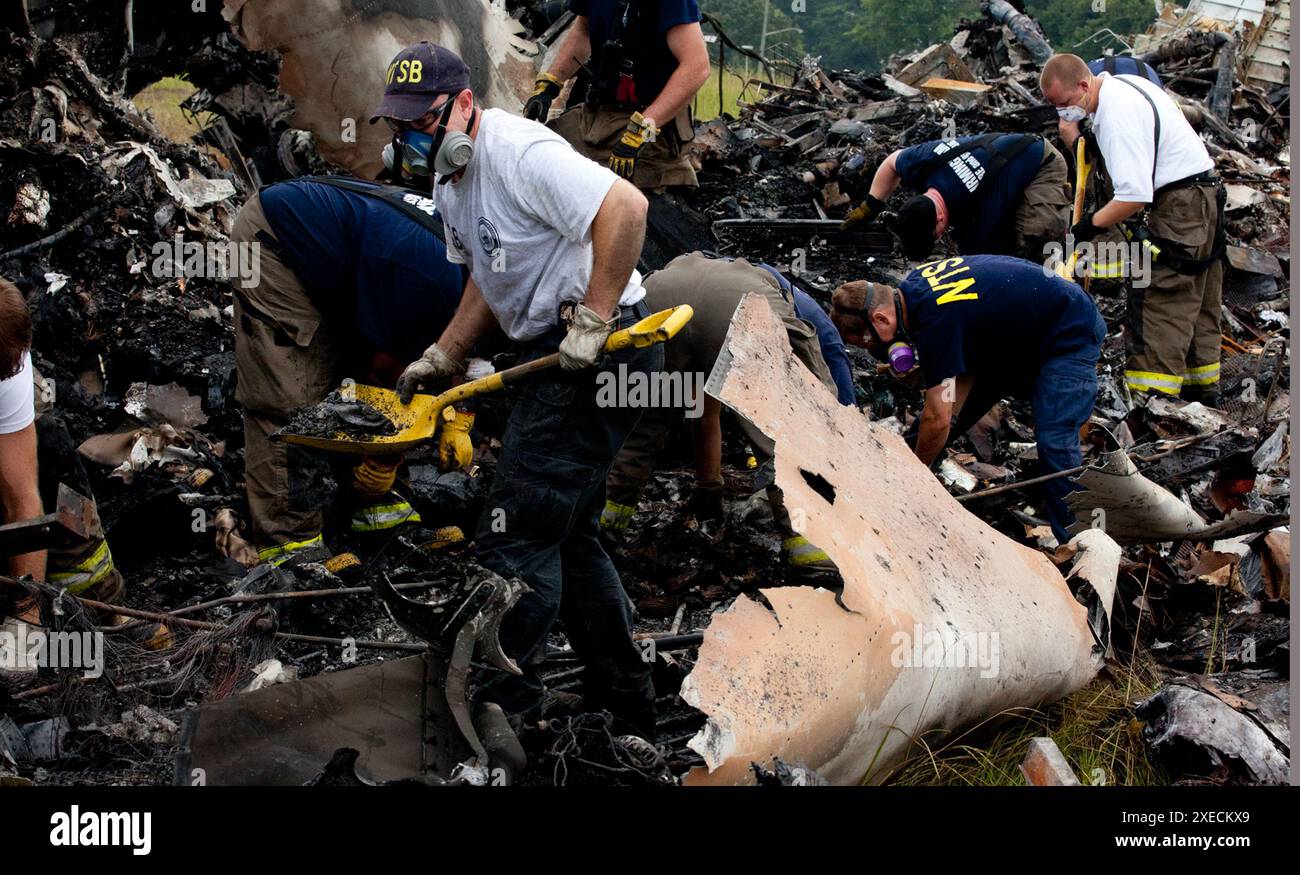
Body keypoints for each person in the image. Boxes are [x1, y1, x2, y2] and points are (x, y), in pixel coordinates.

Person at [378, 42, 659, 736]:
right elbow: (485, 275)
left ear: (465, 106)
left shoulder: (519, 152)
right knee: (565, 534)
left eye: (425, 122)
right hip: (561, 353)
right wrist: (447, 353)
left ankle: (507, 714)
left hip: (598, 351)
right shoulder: (450, 185)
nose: (413, 139)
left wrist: (593, 317)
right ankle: (624, 697)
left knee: (513, 535)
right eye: (401, 127)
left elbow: (626, 207)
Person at [229, 176, 467, 566]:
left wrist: (459, 418)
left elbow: (460, 353)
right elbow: (389, 376)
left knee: (350, 385)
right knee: (291, 397)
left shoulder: (474, 266)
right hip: (273, 243)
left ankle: (377, 514)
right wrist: (386, 457)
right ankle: (292, 548)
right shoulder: (431, 277)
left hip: (343, 261)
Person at [600, 253, 854, 574]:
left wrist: (709, 489)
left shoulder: (683, 270)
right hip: (741, 311)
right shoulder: (792, 298)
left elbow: (703, 409)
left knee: (641, 429)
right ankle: (807, 544)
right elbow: (828, 351)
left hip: (659, 301)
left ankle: (604, 529)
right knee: (780, 432)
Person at [830, 255, 1105, 543]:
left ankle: (1081, 544)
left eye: (868, 341)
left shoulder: (934, 323)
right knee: (954, 416)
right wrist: (936, 378)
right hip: (1010, 340)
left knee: (1055, 439)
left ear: (881, 319)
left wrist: (913, 477)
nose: (874, 349)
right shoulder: (915, 285)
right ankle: (890, 473)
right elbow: (949, 402)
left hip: (1069, 332)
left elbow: (938, 419)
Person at [1040, 53, 1224, 404]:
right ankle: (1204, 392)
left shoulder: (1115, 119)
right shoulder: (1127, 84)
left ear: (1083, 85)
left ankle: (1155, 405)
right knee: (1198, 296)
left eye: (1065, 105)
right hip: (1205, 198)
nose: (1064, 114)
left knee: (1160, 299)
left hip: (1179, 205)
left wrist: (1089, 227)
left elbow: (1134, 195)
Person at [1, 278, 161, 662]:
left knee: (52, 453)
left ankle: (100, 602)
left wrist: (27, 614)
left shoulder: (8, 365)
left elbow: (23, 500)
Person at [523, 0, 710, 191]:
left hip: (651, 124)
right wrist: (549, 84)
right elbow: (582, 32)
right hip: (597, 114)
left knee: (620, 199)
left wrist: (642, 129)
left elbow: (697, 67)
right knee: (535, 156)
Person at [840, 132, 1070, 262]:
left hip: (1041, 161)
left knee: (1033, 246)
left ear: (940, 219)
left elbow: (987, 261)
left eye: (935, 235)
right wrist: (871, 205)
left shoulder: (978, 223)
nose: (940, 238)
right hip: (1004, 170)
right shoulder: (926, 161)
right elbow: (892, 163)